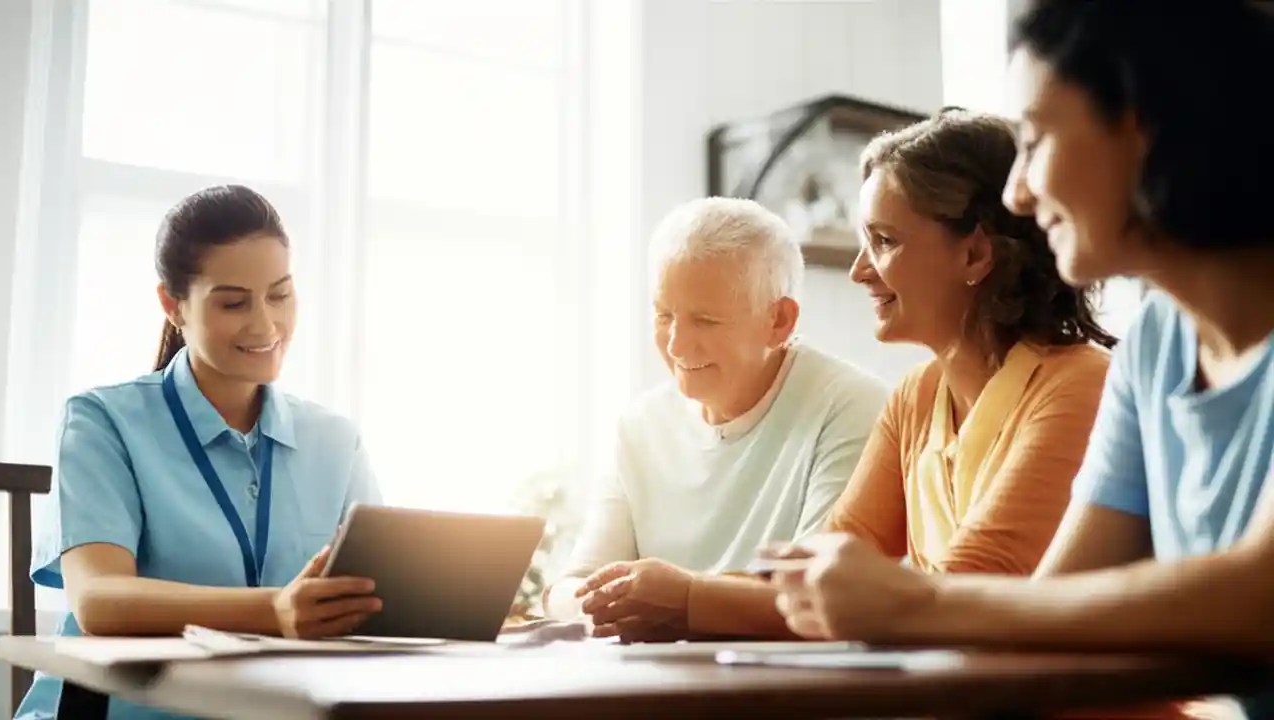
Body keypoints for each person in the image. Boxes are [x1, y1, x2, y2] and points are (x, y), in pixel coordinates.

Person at [773, 2, 1274, 717]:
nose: (1018, 192)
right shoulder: (1153, 350)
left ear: (1143, 128)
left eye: (1035, 141)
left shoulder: (1085, 376)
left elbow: (1259, 597)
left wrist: (919, 603)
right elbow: (1055, 607)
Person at [652, 111, 1116, 640]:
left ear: (975, 253)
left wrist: (687, 597)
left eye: (884, 241)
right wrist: (677, 593)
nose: (859, 271)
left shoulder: (1079, 387)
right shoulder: (916, 396)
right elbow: (817, 573)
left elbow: (967, 584)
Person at [17, 186, 383, 720]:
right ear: (172, 305)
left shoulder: (336, 441)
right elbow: (98, 600)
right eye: (234, 302)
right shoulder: (103, 420)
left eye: (280, 295)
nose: (265, 325)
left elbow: (380, 594)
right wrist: (275, 609)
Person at [543, 197, 888, 642]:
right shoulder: (639, 426)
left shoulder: (852, 405)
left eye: (704, 321)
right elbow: (571, 588)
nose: (676, 345)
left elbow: (820, 594)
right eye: (663, 315)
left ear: (779, 321)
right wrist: (595, 602)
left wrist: (681, 600)